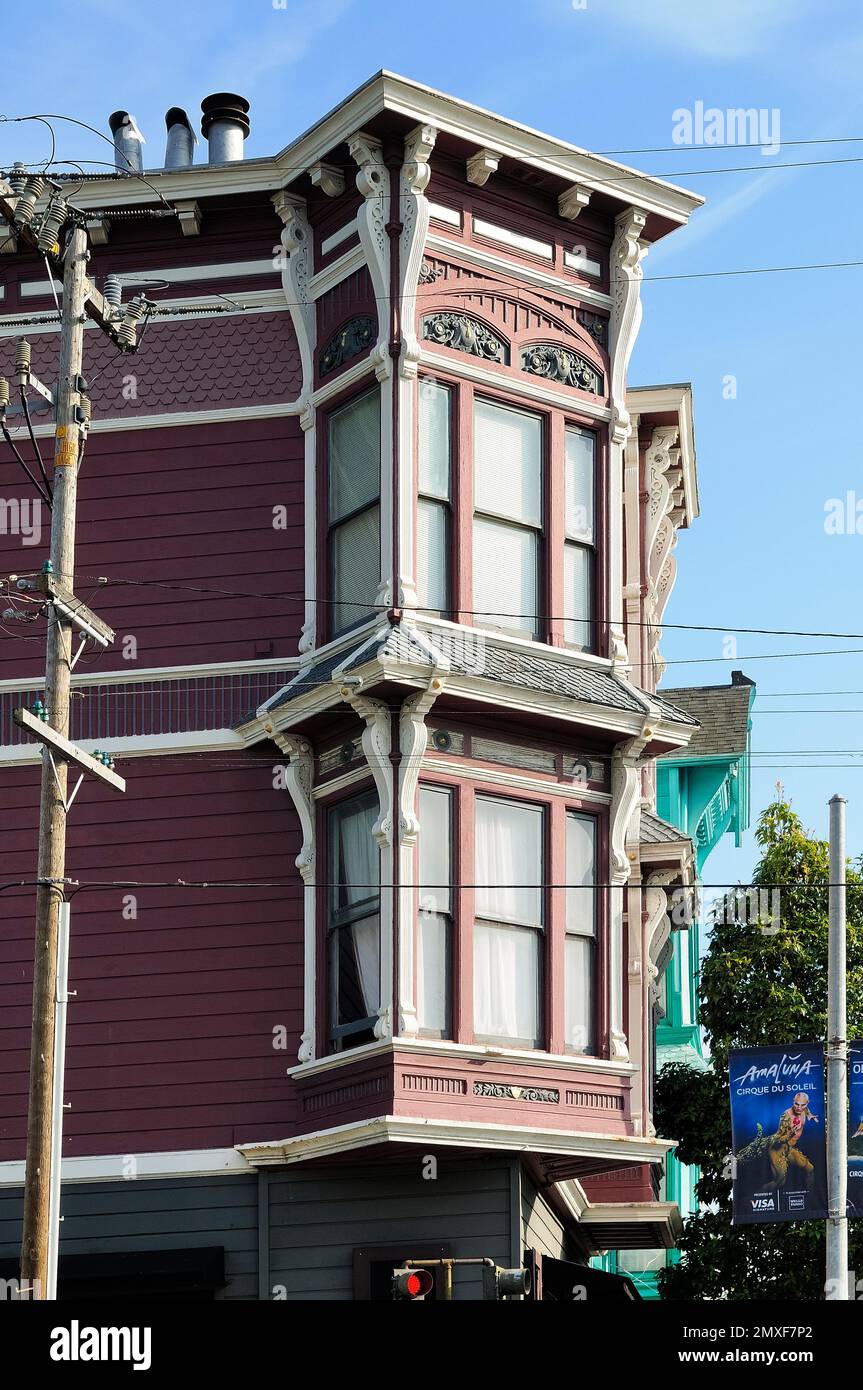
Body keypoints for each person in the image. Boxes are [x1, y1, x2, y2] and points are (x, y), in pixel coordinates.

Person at [768, 1092, 819, 1191]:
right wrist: (788, 1135)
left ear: (807, 1103)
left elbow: (806, 1110)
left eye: (802, 1105)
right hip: (777, 1150)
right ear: (793, 1101)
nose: (799, 1108)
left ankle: (811, 1198)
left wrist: (810, 1115)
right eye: (796, 1104)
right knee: (780, 1181)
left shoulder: (804, 1109)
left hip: (789, 1148)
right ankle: (754, 1199)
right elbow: (777, 1140)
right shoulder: (786, 1116)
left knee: (810, 1169)